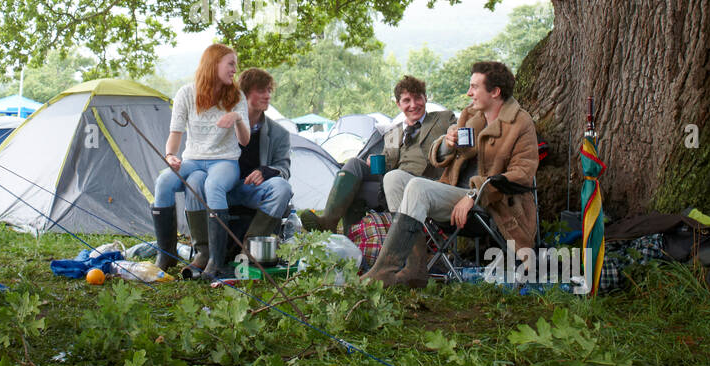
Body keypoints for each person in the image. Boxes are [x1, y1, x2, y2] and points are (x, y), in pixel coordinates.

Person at [362, 61, 539, 287]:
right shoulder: (470, 115)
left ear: (495, 92)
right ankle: (415, 268)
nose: (469, 93)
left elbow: (522, 173)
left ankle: (384, 271)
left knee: (417, 186)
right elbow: (442, 156)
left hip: (492, 204)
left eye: (475, 87)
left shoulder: (520, 123)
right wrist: (447, 143)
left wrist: (473, 195)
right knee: (393, 178)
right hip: (453, 192)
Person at [306, 76, 454, 235]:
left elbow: (458, 131)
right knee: (354, 163)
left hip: (424, 184)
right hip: (392, 185)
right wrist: (373, 162)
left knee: (358, 191)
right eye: (406, 100)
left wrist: (453, 134)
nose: (413, 105)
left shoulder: (442, 119)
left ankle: (353, 239)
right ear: (398, 104)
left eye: (418, 98)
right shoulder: (393, 133)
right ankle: (332, 223)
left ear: (425, 98)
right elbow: (387, 165)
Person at [150, 44, 250, 278]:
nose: (235, 69)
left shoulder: (237, 96)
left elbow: (244, 141)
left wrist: (236, 118)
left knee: (213, 186)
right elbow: (175, 134)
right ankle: (166, 254)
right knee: (163, 183)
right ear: (213, 64)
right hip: (193, 159)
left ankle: (215, 261)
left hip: (224, 162)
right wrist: (170, 156)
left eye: (235, 64)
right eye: (230, 64)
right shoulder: (186, 93)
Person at [182, 68, 293, 273]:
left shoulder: (279, 133)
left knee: (281, 187)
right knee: (195, 179)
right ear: (243, 94)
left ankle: (249, 251)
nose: (267, 95)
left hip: (251, 191)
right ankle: (204, 253)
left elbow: (284, 169)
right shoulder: (218, 123)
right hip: (217, 188)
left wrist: (267, 171)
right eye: (261, 90)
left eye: (269, 90)